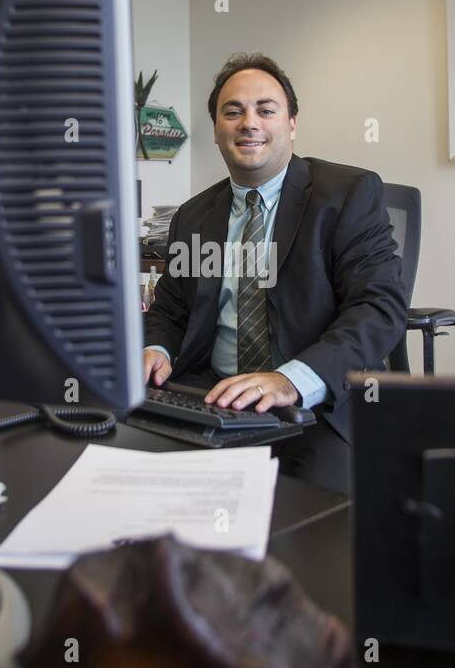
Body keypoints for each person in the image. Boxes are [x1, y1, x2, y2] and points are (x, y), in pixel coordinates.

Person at [141, 53, 406, 493]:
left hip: (315, 407)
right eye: (233, 111)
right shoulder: (193, 216)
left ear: (292, 124)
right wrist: (156, 348)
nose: (249, 123)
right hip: (213, 398)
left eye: (266, 110)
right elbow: (168, 309)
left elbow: (378, 308)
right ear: (216, 130)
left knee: (311, 523)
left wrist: (291, 380)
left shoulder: (347, 195)